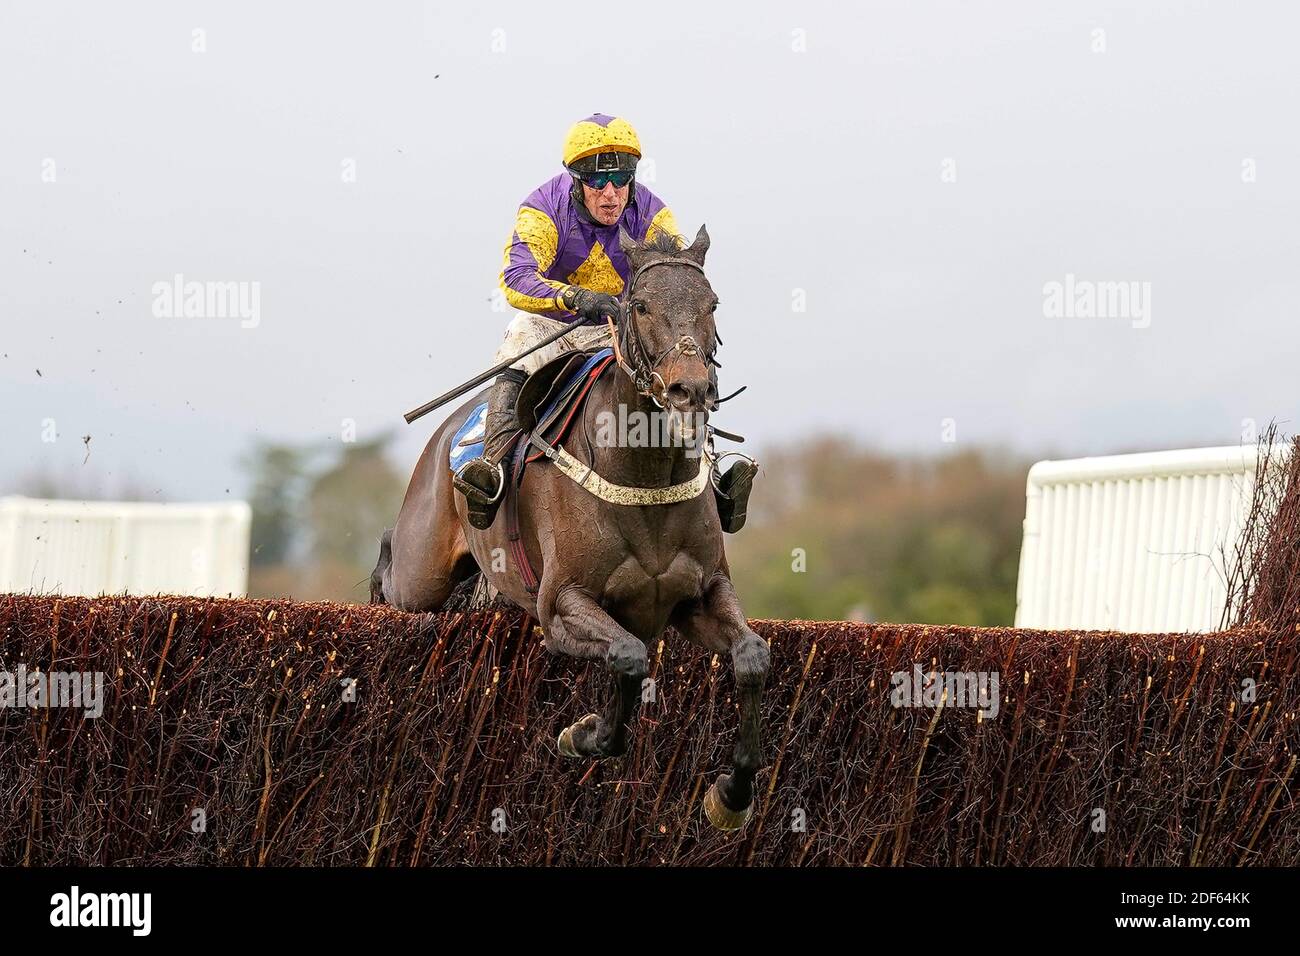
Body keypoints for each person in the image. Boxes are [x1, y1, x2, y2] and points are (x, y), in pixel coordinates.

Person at [454, 113, 683, 529]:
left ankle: (712, 466)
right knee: (519, 332)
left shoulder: (655, 215)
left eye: (621, 180)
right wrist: (574, 297)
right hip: (558, 325)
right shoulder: (541, 208)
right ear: (576, 181)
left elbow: (674, 280)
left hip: (623, 328)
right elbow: (515, 279)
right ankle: (493, 464)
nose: (611, 195)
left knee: (682, 356)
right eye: (598, 183)